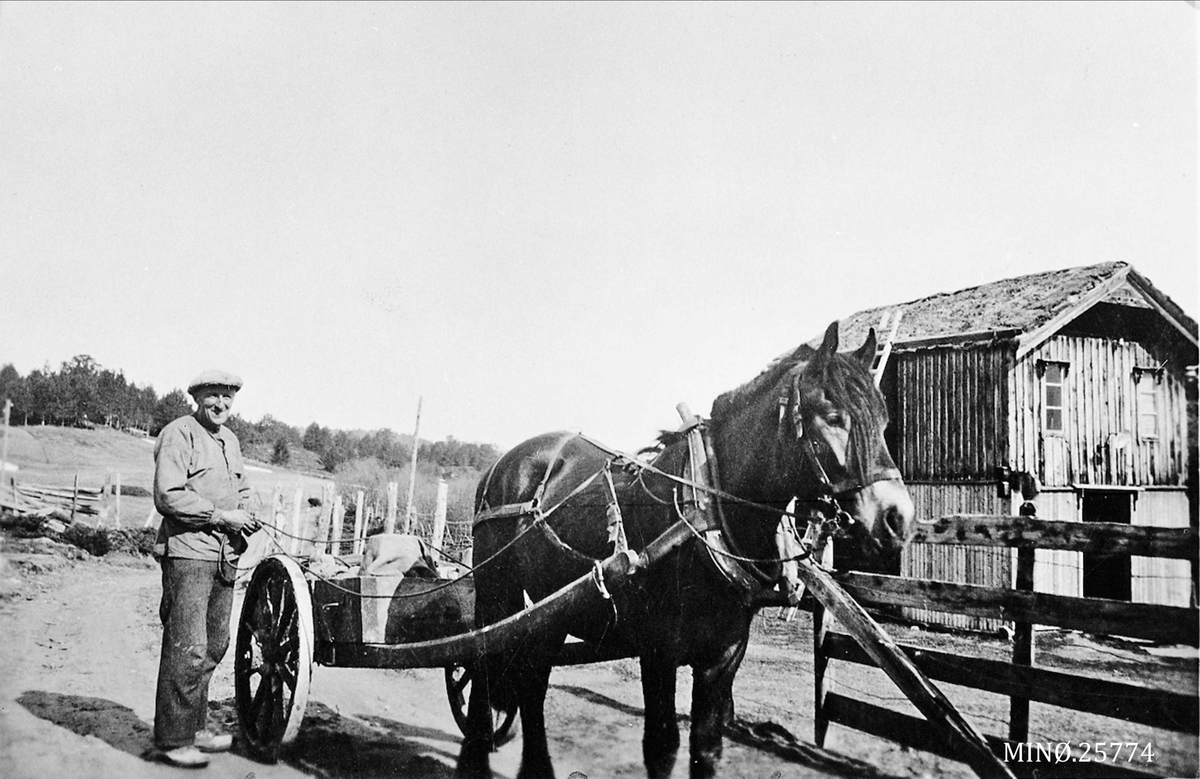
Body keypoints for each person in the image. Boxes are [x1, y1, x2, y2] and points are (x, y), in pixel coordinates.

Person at [151, 370, 260, 767]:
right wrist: (219, 517)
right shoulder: (179, 434)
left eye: (227, 398)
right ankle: (173, 738)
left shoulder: (230, 440)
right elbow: (168, 494)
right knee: (187, 646)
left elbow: (244, 488)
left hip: (225, 555)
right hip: (188, 552)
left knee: (215, 644)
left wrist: (249, 512)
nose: (221, 405)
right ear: (196, 397)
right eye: (213, 396)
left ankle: (194, 726)